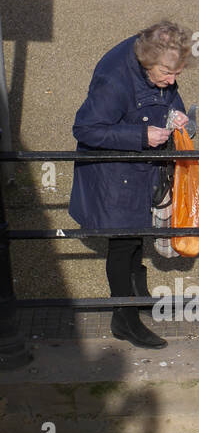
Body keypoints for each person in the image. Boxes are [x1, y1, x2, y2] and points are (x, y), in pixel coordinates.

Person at [69, 22, 192, 349]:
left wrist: (176, 113)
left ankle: (137, 296)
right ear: (147, 60)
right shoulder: (115, 81)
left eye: (177, 73)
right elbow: (85, 129)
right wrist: (140, 136)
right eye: (167, 73)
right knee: (123, 242)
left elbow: (168, 94)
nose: (172, 80)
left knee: (137, 231)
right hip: (113, 171)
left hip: (138, 164)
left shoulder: (155, 62)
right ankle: (124, 318)